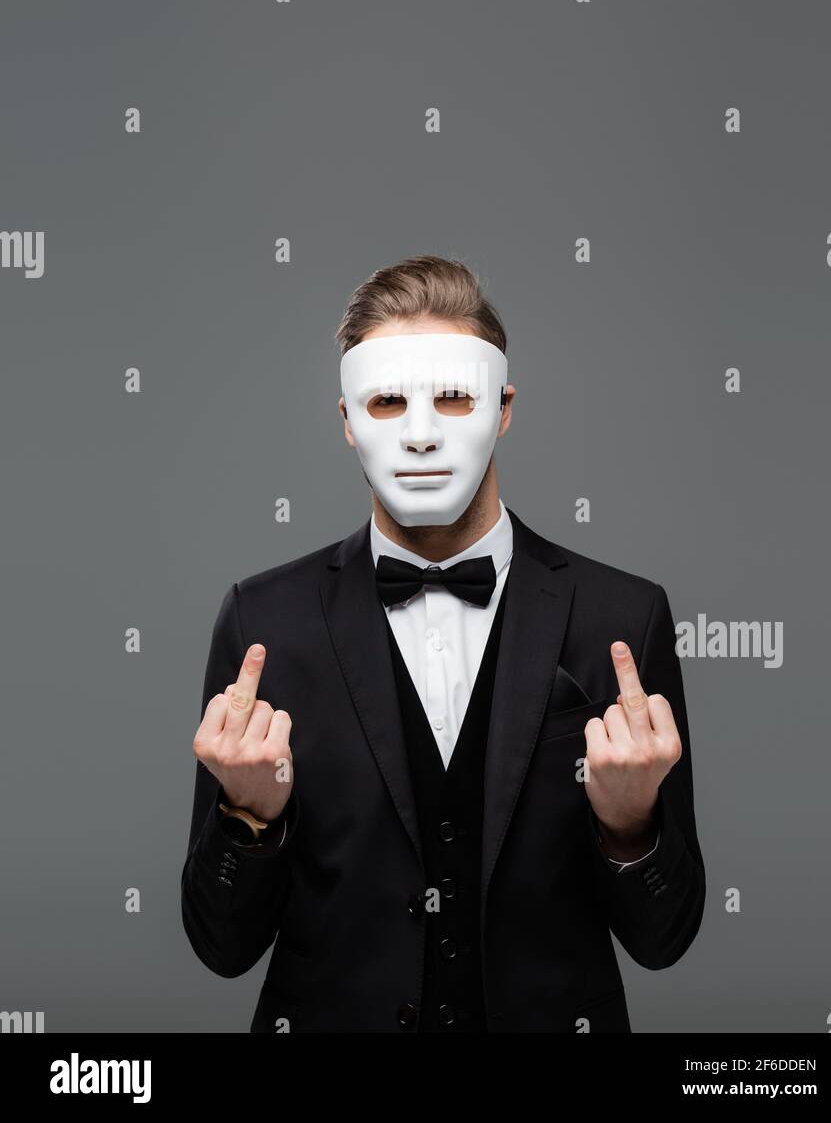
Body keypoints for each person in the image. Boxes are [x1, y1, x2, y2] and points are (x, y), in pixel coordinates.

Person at [181, 254, 705, 1032]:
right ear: (347, 420)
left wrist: (628, 825)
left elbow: (663, 941)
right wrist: (249, 818)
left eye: (453, 397)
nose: (421, 436)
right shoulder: (264, 622)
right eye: (388, 401)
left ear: (502, 408)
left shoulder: (621, 618)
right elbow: (221, 946)